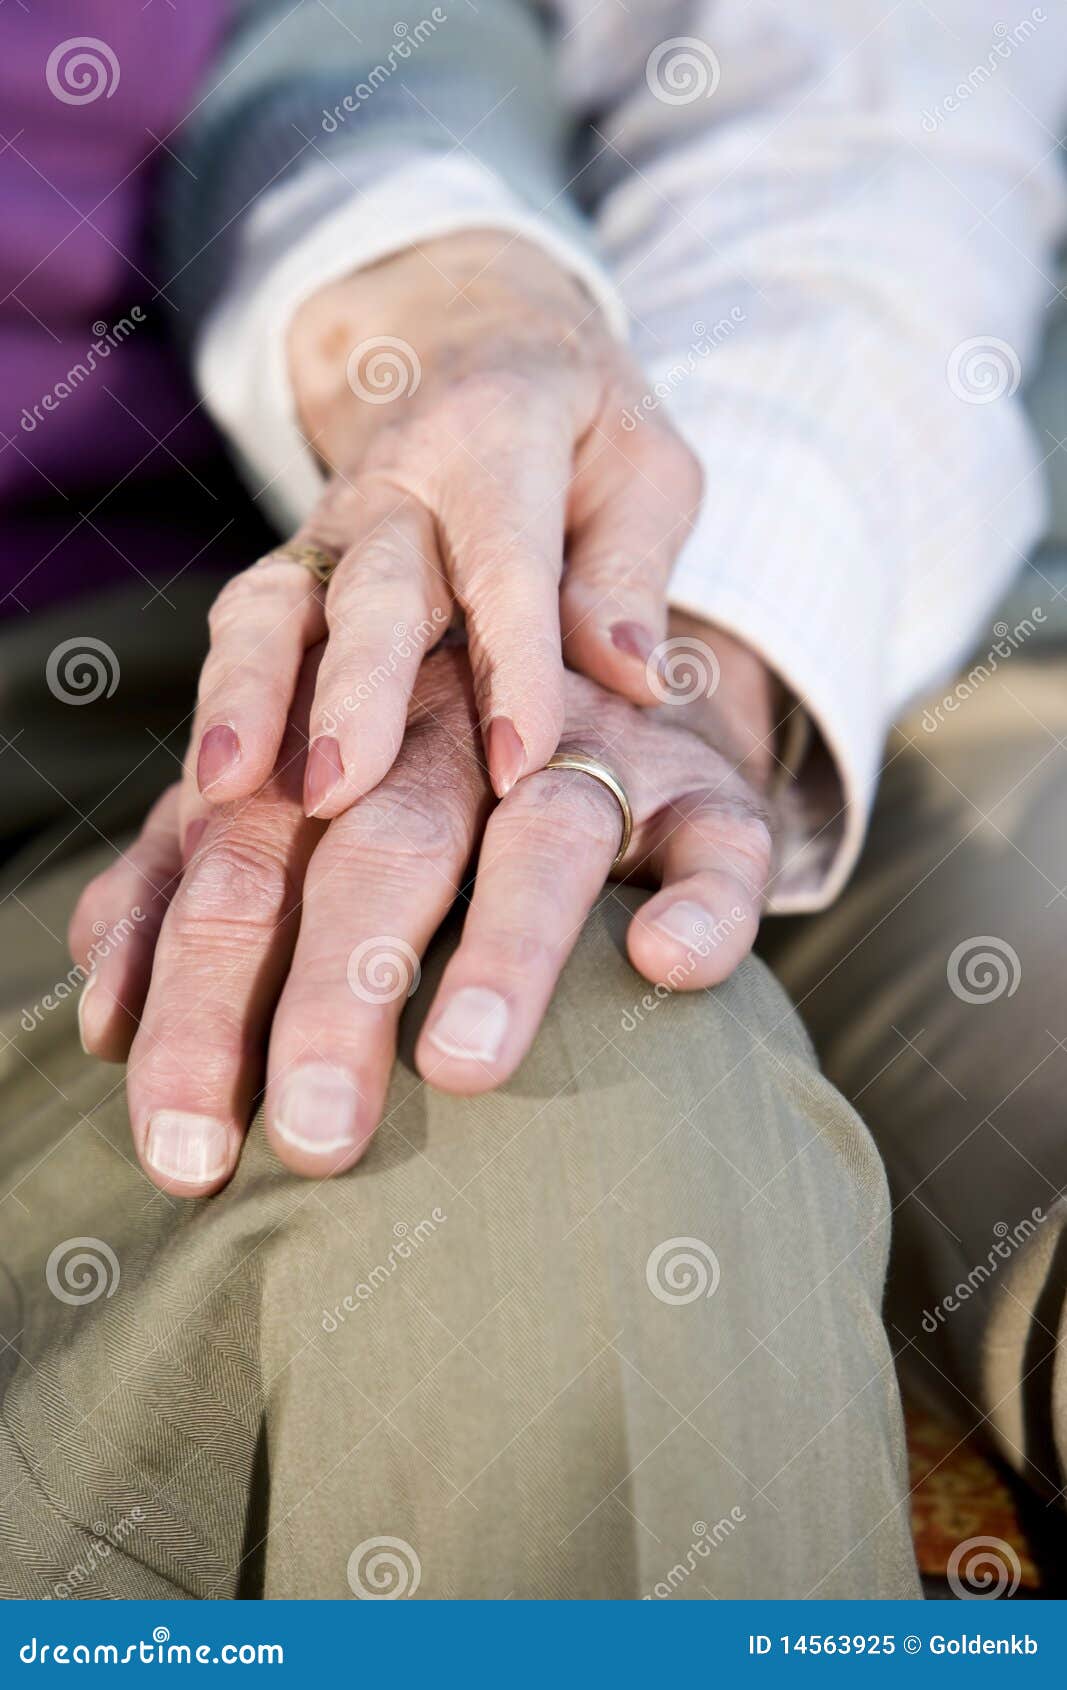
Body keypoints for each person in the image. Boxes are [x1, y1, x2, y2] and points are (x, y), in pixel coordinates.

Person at [1, 0, 1066, 1599]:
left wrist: (615, 604)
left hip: (835, 584)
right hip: (160, 654)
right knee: (551, 1138)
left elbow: (396, 85)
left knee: (547, 1026)